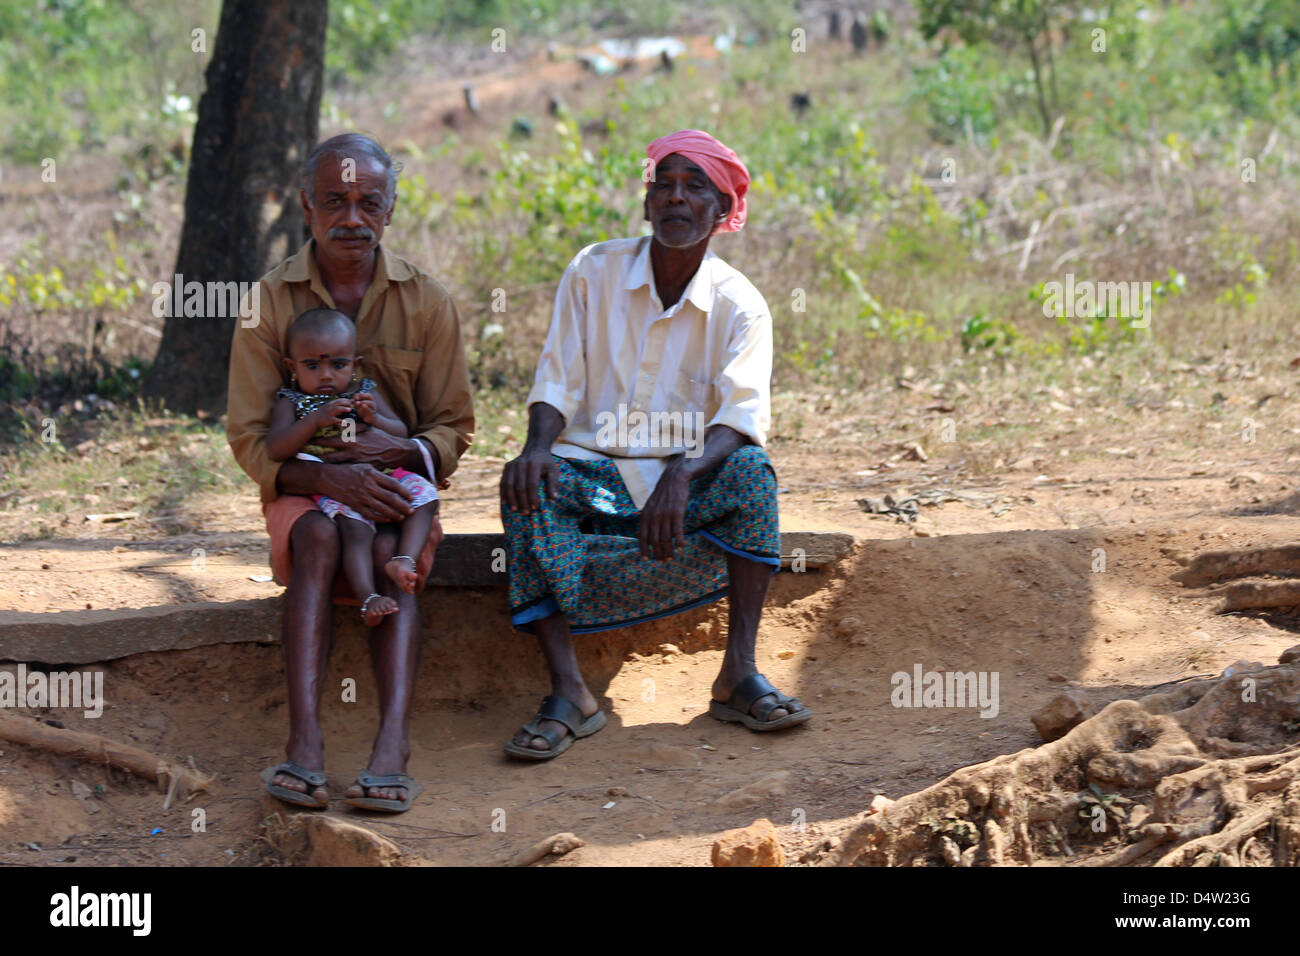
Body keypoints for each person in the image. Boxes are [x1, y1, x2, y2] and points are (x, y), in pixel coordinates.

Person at [499, 129, 811, 761]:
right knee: (525, 485)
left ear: (722, 213)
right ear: (645, 205)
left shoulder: (741, 305)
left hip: (682, 477)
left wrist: (683, 474)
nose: (676, 198)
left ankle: (737, 675)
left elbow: (741, 414)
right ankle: (571, 693)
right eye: (663, 185)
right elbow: (558, 376)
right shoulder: (593, 270)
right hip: (591, 468)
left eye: (695, 187)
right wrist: (536, 447)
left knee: (753, 475)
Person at [227, 132, 474, 811]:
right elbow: (249, 437)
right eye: (334, 201)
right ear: (306, 206)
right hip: (306, 482)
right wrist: (326, 480)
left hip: (392, 484)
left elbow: (453, 425)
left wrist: (398, 458)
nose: (352, 218)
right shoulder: (268, 301)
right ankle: (304, 745)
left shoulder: (428, 302)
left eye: (369, 202)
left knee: (400, 553)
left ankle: (392, 746)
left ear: (390, 212)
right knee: (316, 540)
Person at [266, 307, 440, 627]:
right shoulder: (292, 401)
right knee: (355, 531)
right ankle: (367, 597)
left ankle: (404, 560)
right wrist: (313, 421)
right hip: (331, 481)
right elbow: (276, 447)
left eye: (338, 364)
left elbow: (400, 433)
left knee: (426, 497)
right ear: (292, 367)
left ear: (355, 365)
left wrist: (376, 419)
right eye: (312, 365)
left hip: (379, 473)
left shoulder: (364, 393)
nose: (326, 375)